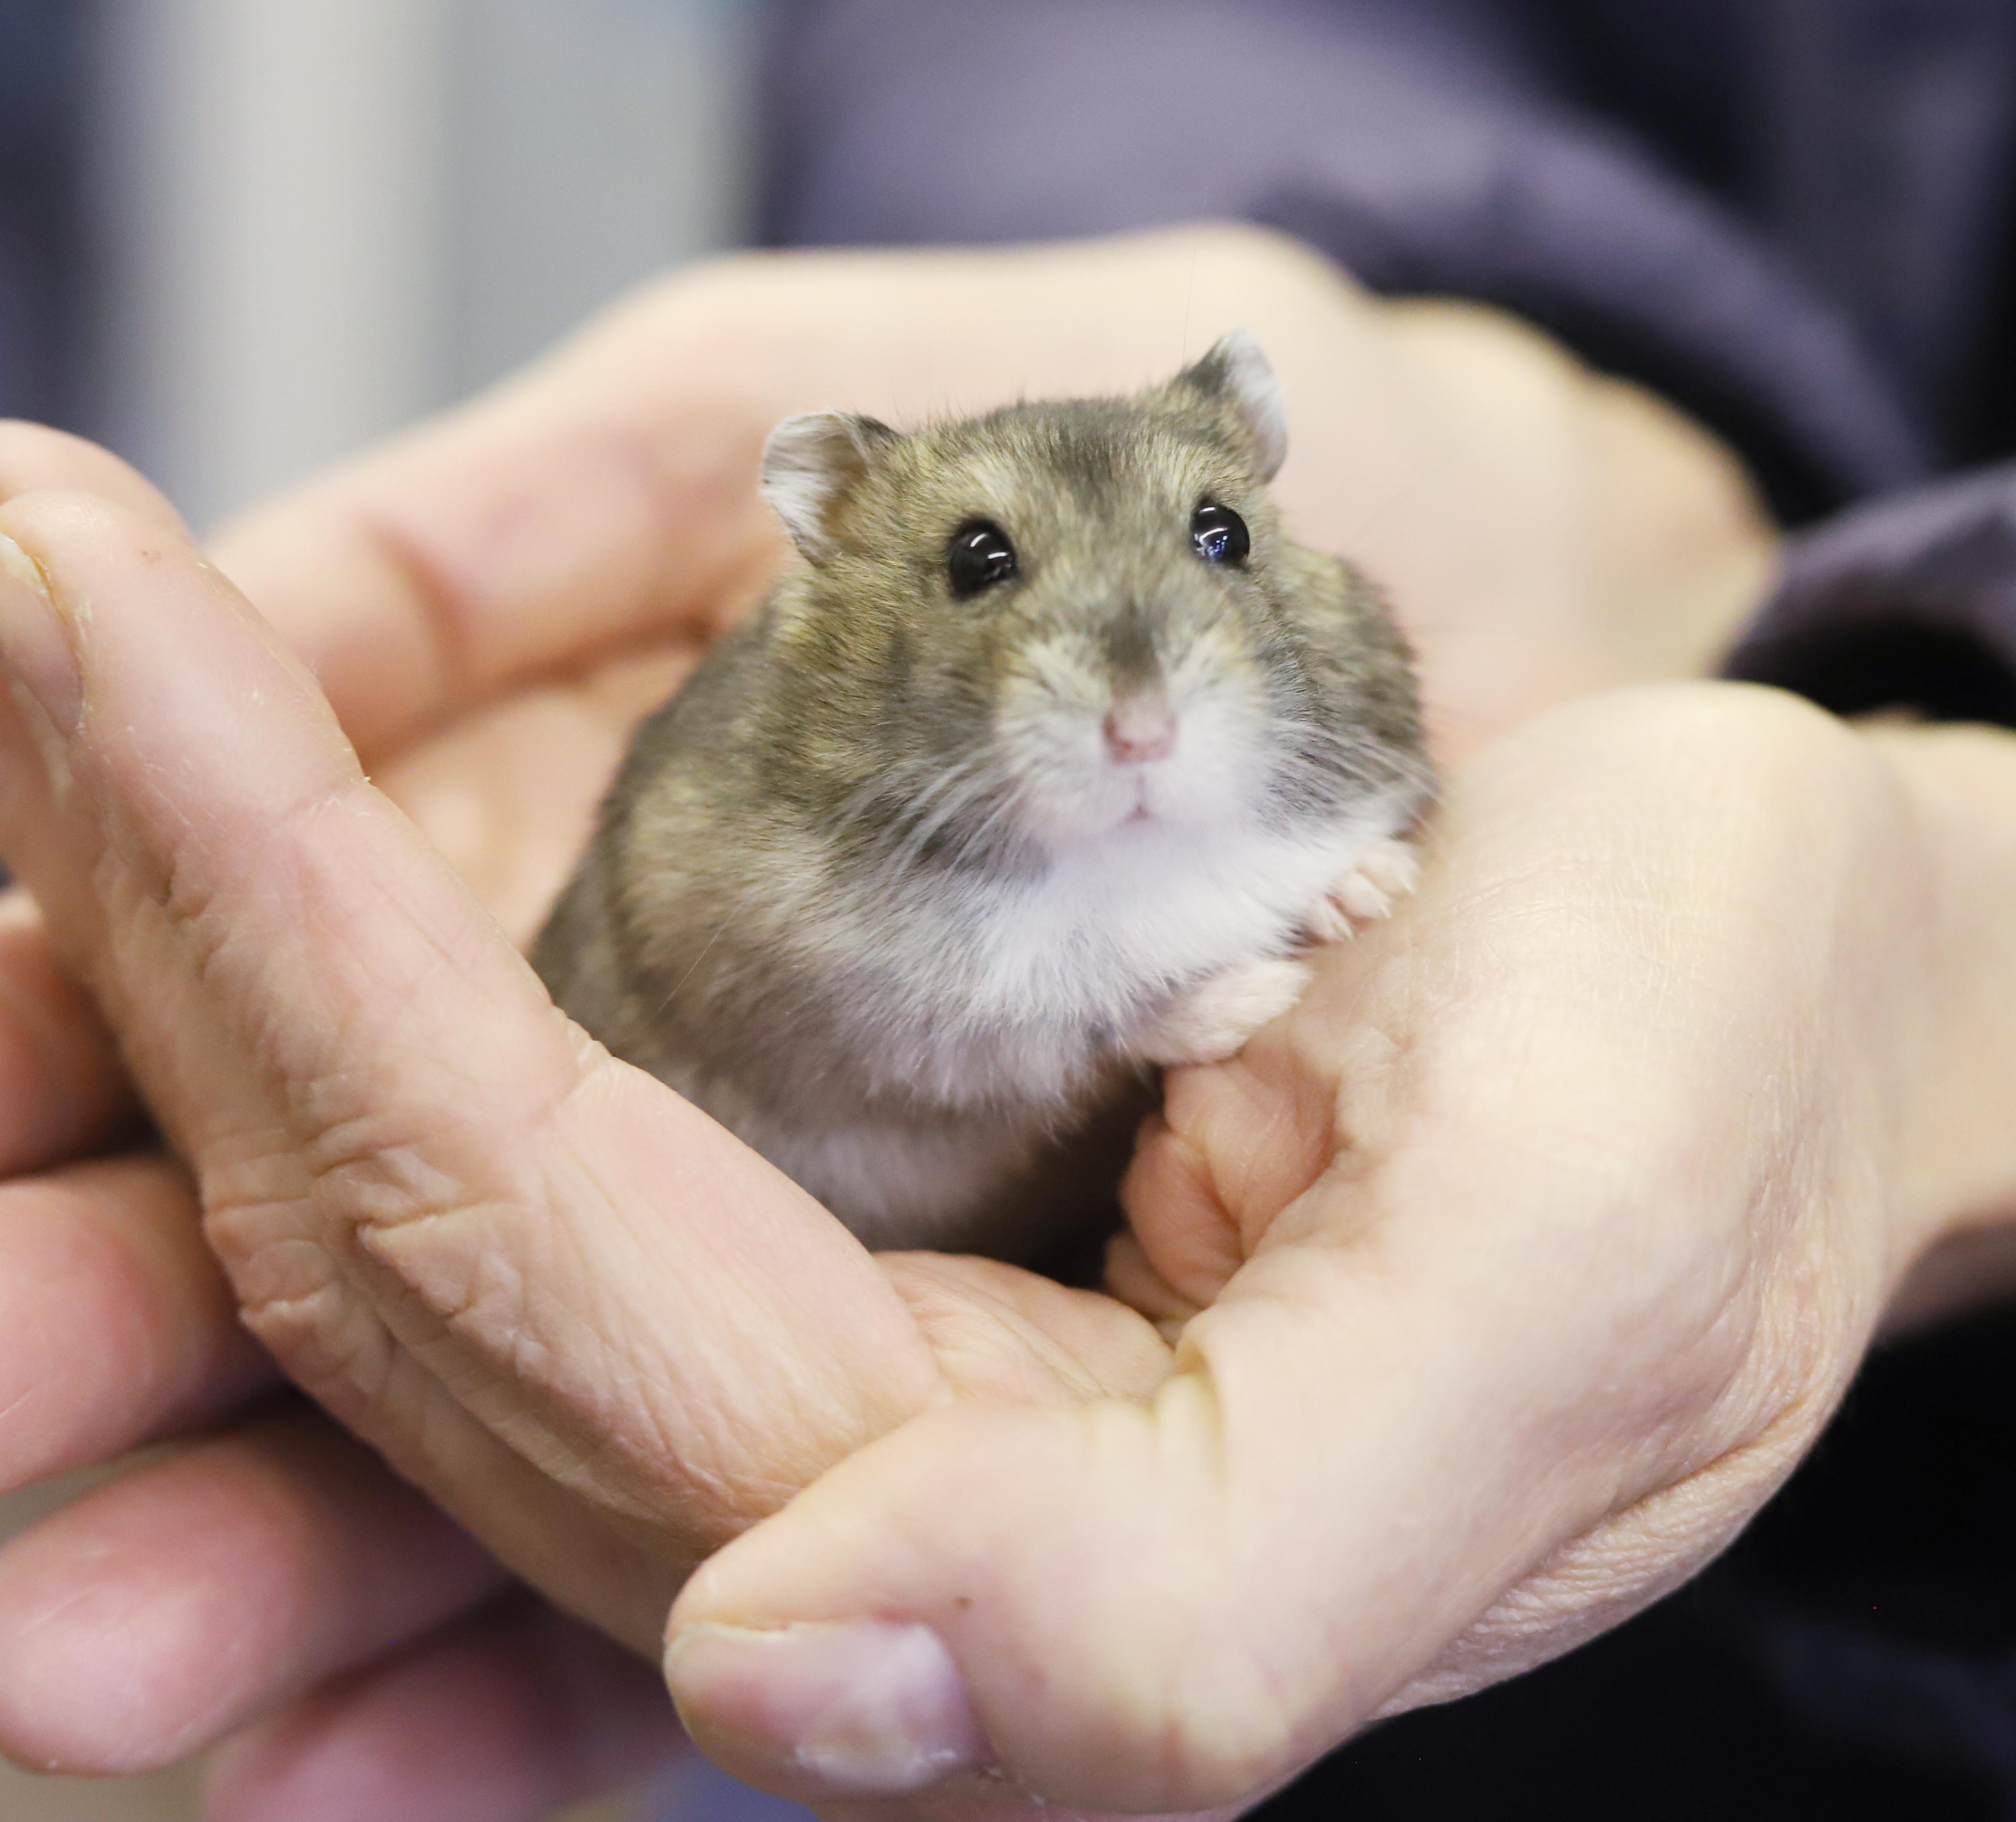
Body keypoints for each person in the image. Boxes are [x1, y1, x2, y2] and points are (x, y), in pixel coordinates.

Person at [0, 6, 2012, 1820]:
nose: (1138, 688)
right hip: (840, 1189)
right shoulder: (797, 839)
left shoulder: (1340, 680)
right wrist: (1568, 379)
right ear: (839, 548)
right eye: (981, 569)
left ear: (1261, 504)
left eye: (1212, 542)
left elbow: (1376, 806)